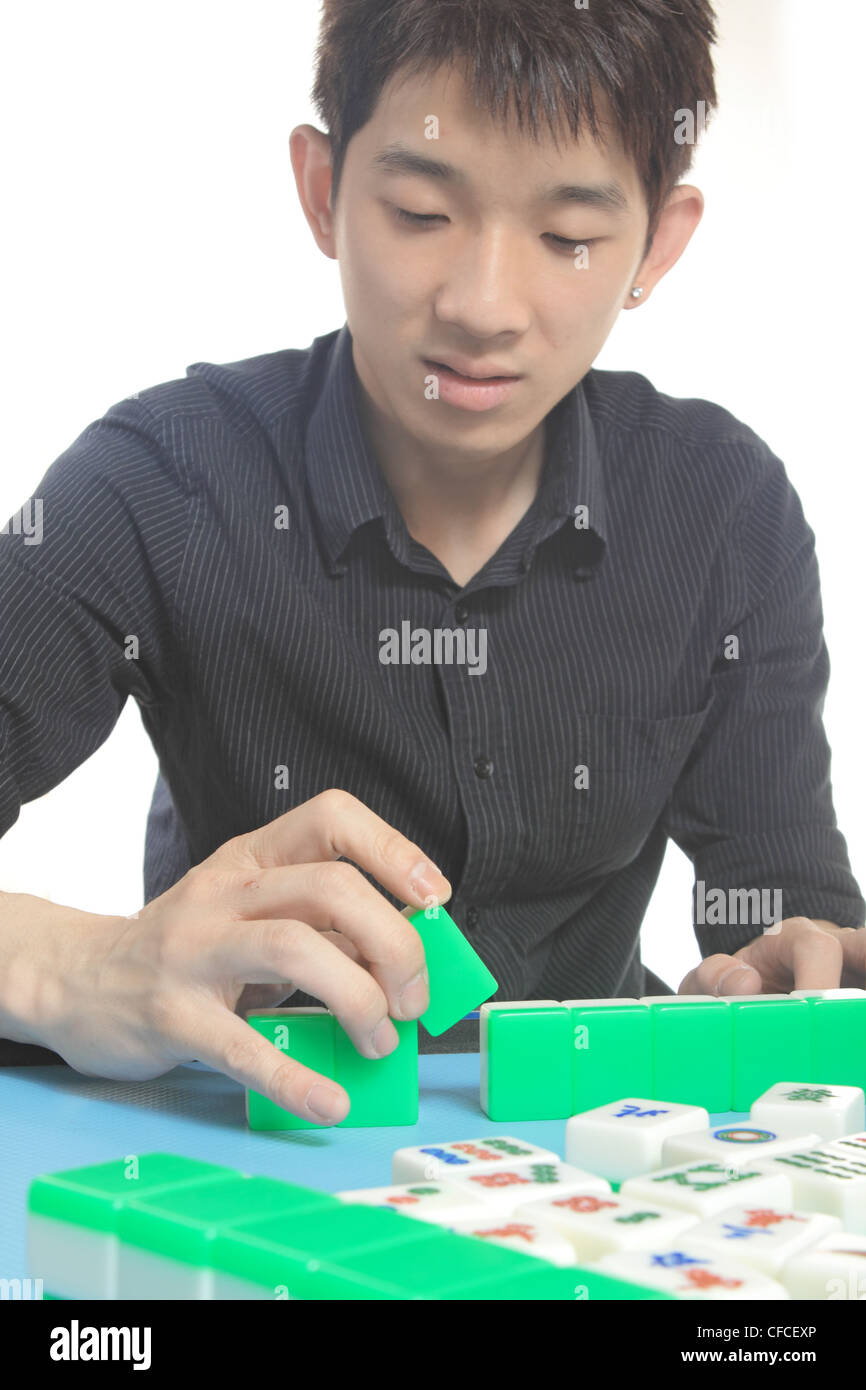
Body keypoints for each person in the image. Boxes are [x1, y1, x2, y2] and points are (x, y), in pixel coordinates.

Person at [1, 0, 863, 1126]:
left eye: (567, 239)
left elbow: (782, 920)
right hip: (249, 1146)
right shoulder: (160, 479)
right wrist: (74, 963)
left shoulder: (721, 508)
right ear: (321, 192)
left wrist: (799, 974)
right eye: (418, 211)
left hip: (594, 1180)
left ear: (656, 242)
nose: (480, 308)